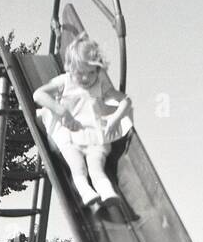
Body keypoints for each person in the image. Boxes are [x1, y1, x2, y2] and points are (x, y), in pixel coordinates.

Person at [33, 33, 132, 209]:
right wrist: (60, 109)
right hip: (70, 134)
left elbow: (126, 101)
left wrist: (116, 119)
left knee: (96, 166)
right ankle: (86, 192)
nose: (86, 78)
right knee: (77, 166)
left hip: (94, 135)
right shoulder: (64, 81)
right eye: (81, 73)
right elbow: (38, 94)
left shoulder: (100, 84)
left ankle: (107, 192)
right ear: (70, 69)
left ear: (99, 69)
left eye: (91, 72)